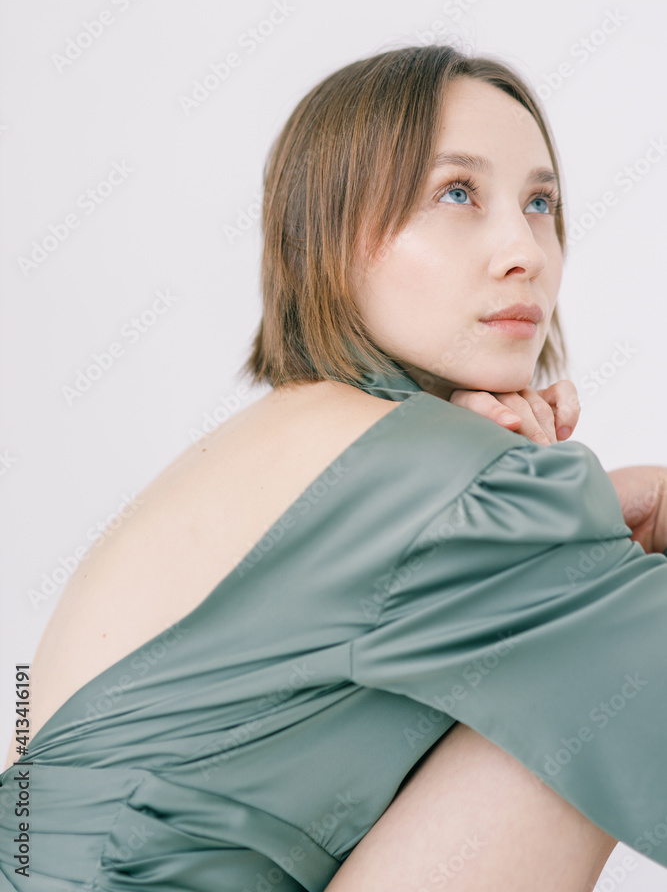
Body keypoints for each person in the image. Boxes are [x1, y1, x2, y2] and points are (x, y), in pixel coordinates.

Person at [1, 44, 666, 892]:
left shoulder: (298, 438)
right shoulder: (446, 474)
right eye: (455, 194)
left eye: (540, 203)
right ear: (331, 237)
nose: (523, 250)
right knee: (592, 685)